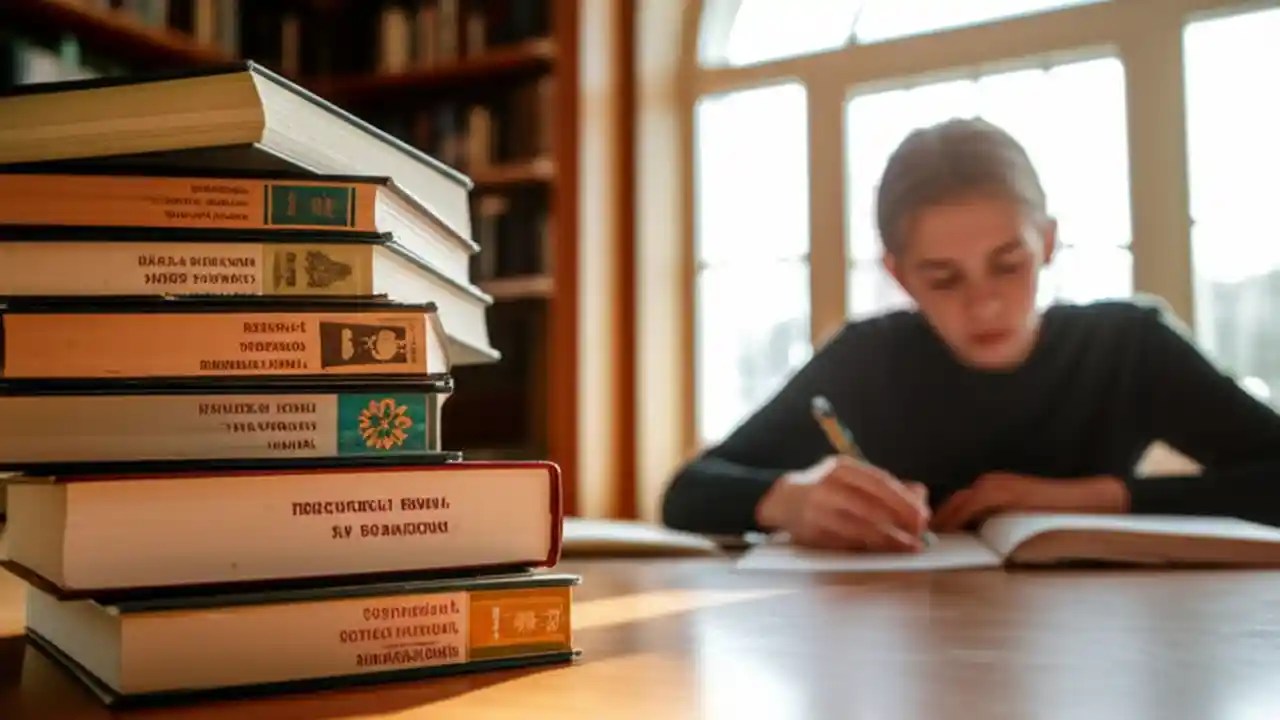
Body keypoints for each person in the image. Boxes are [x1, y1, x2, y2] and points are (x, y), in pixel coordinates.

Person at [661, 117, 1280, 552]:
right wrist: (787, 499)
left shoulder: (1127, 347)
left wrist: (1091, 498)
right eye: (942, 278)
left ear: (1048, 241)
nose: (984, 304)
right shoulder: (868, 359)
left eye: (1008, 265)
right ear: (899, 276)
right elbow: (687, 493)